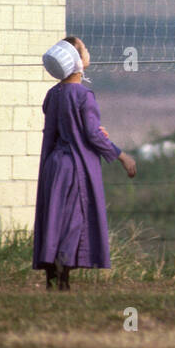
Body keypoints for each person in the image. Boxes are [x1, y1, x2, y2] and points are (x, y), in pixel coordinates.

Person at [32, 37, 137, 291]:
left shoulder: (53, 94)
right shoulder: (84, 95)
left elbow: (65, 130)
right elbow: (91, 134)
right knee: (73, 222)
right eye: (84, 49)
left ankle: (52, 279)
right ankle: (63, 278)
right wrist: (121, 156)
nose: (88, 52)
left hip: (53, 167)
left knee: (54, 220)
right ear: (76, 60)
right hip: (74, 168)